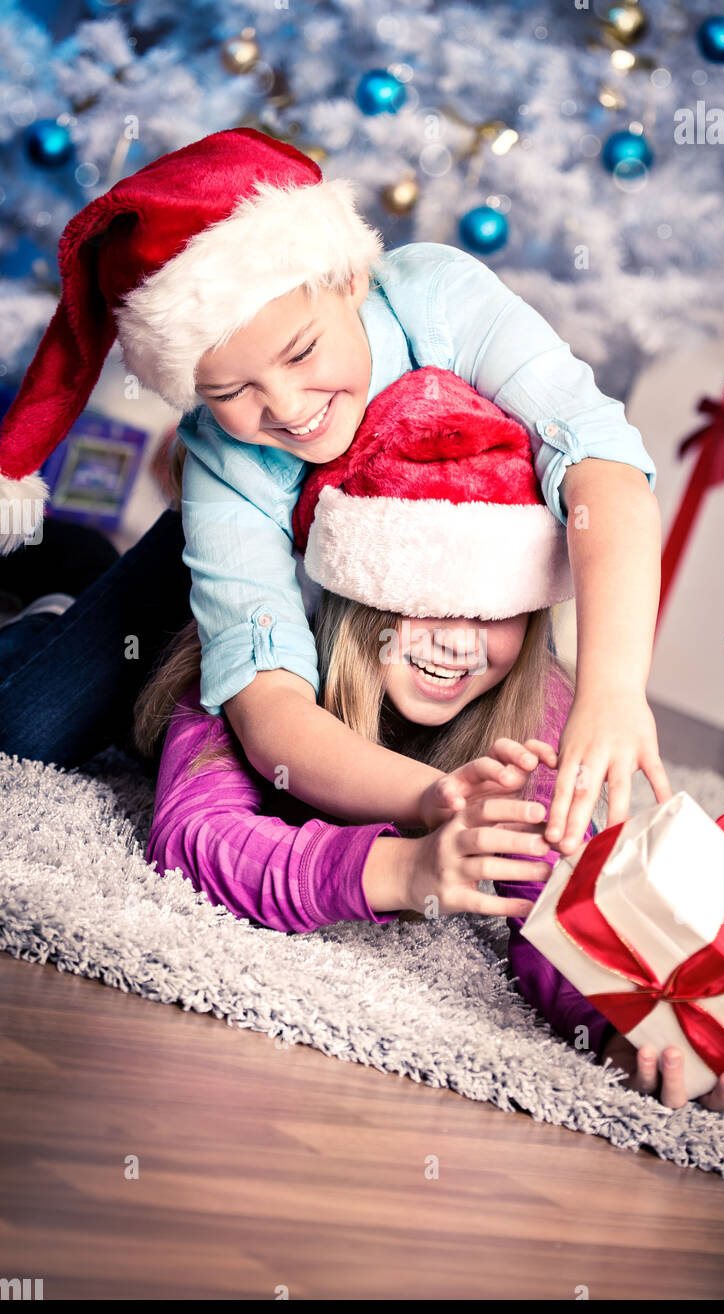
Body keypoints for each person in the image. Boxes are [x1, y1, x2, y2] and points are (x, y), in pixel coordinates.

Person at [0, 126, 670, 856]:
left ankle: (81, 568)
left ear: (350, 279)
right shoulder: (228, 455)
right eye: (229, 389)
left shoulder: (438, 298)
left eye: (302, 351)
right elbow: (273, 711)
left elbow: (603, 472)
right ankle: (64, 597)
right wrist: (429, 799)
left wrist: (614, 687)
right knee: (28, 727)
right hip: (229, 550)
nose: (287, 408)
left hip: (381, 616)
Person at [134, 367, 724, 1113]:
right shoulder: (259, 648)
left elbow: (551, 897)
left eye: (492, 611)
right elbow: (194, 839)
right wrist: (403, 869)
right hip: (162, 592)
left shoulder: (533, 706)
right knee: (37, 711)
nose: (459, 642)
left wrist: (621, 1026)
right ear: (363, 581)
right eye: (431, 601)